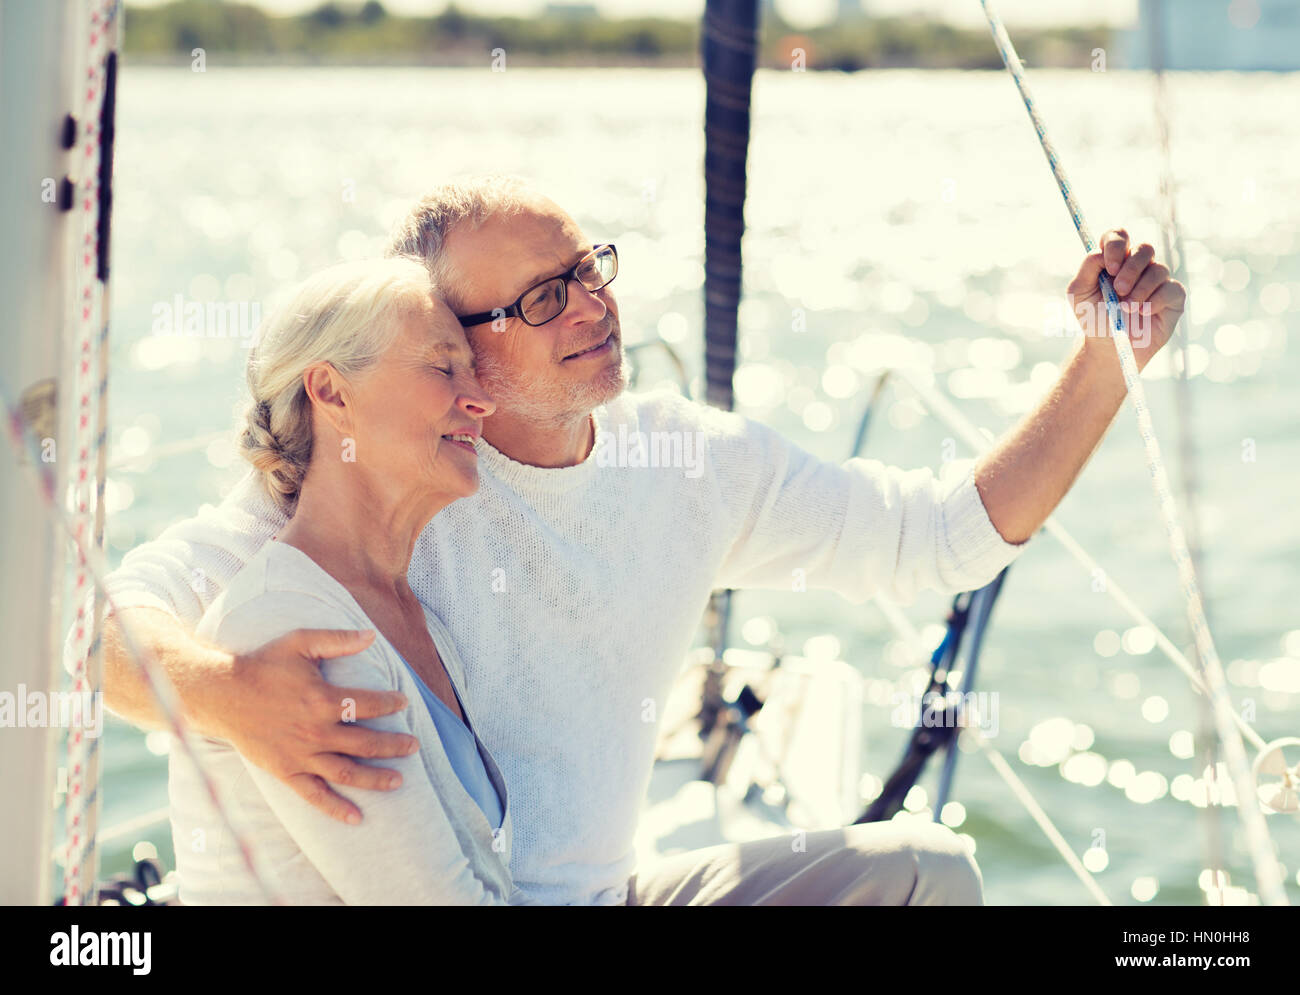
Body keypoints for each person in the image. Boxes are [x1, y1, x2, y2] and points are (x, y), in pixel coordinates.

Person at [91, 175, 1184, 906]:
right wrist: (224, 689)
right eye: (543, 297)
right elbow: (100, 636)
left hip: (610, 894)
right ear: (451, 347)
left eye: (590, 268)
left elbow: (940, 537)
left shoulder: (689, 463)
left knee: (922, 873)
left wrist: (1104, 361)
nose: (594, 307)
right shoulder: (372, 486)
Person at [166, 256, 513, 904]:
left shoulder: (415, 613)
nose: (480, 399)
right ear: (331, 392)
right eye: (443, 367)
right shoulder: (297, 627)